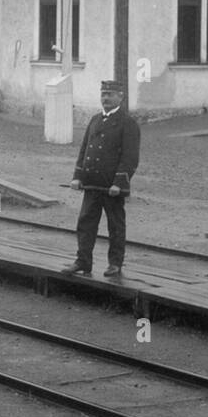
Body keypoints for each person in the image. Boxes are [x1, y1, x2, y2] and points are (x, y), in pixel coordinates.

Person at [63, 79, 140, 278]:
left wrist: (119, 182)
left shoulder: (128, 123)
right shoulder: (95, 120)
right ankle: (83, 261)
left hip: (111, 186)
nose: (105, 98)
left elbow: (130, 158)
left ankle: (115, 263)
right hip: (91, 183)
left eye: (110, 95)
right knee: (85, 223)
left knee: (115, 225)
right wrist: (77, 176)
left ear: (120, 97)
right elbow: (84, 150)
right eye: (103, 94)